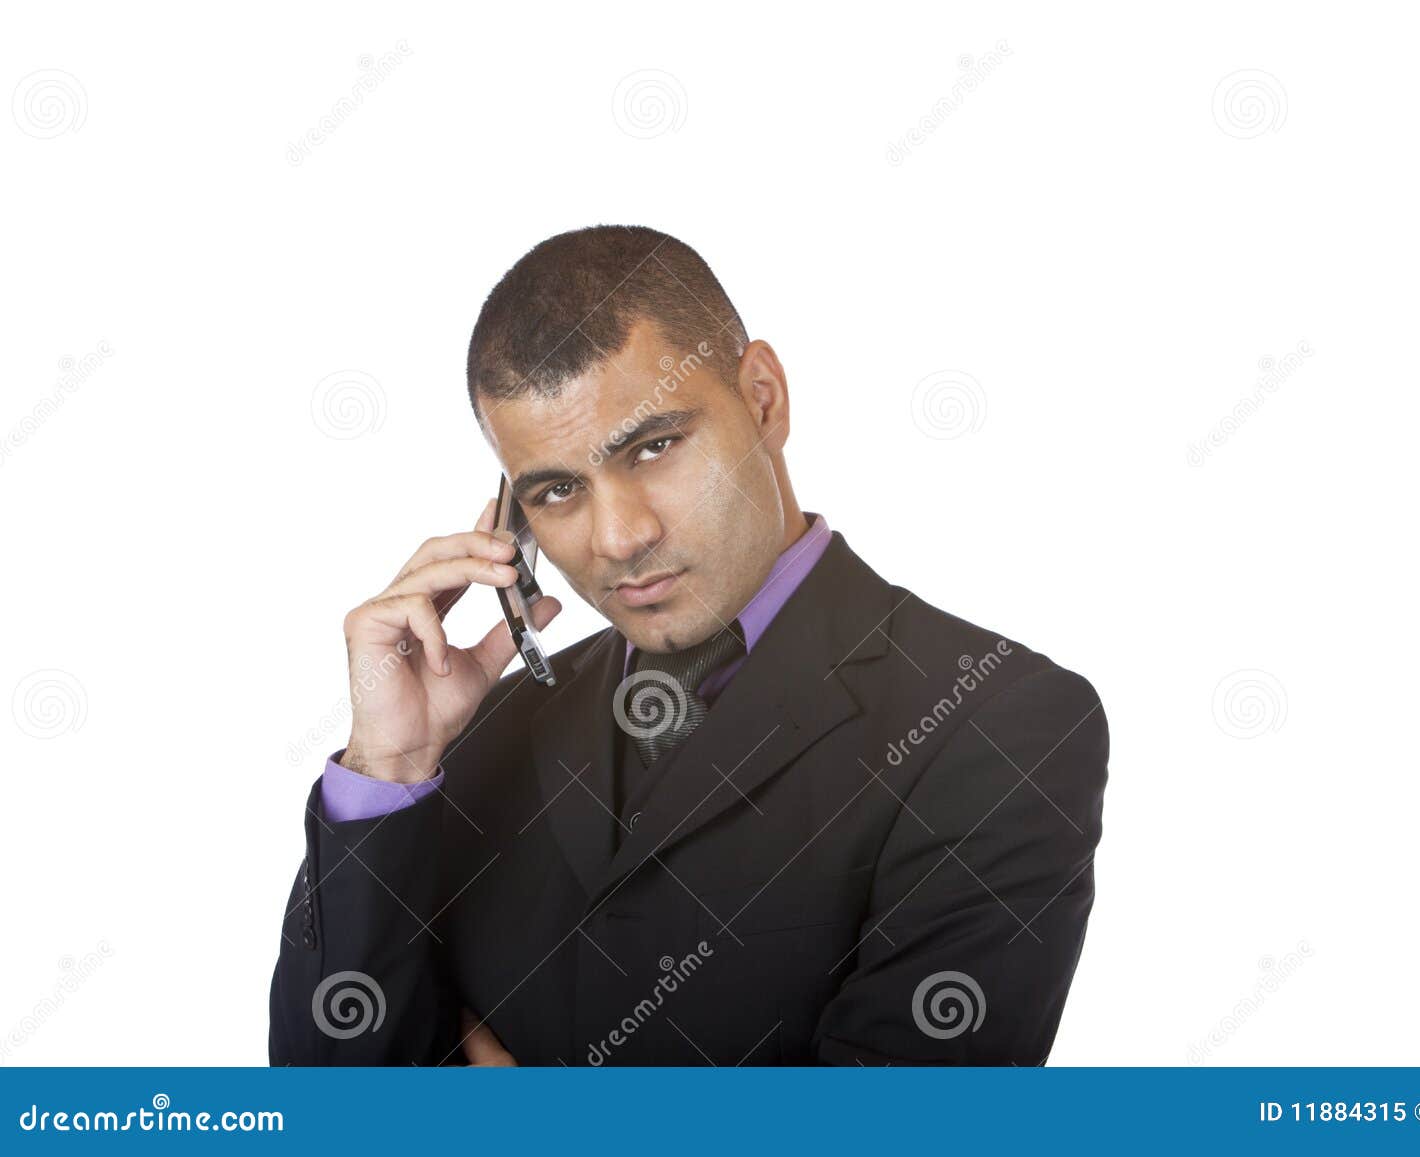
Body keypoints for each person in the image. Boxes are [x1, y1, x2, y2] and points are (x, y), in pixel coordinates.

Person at [268, 225, 1110, 1065]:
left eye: (654, 447)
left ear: (764, 399)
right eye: (558, 491)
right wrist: (388, 769)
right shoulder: (475, 734)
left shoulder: (999, 724)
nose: (620, 536)